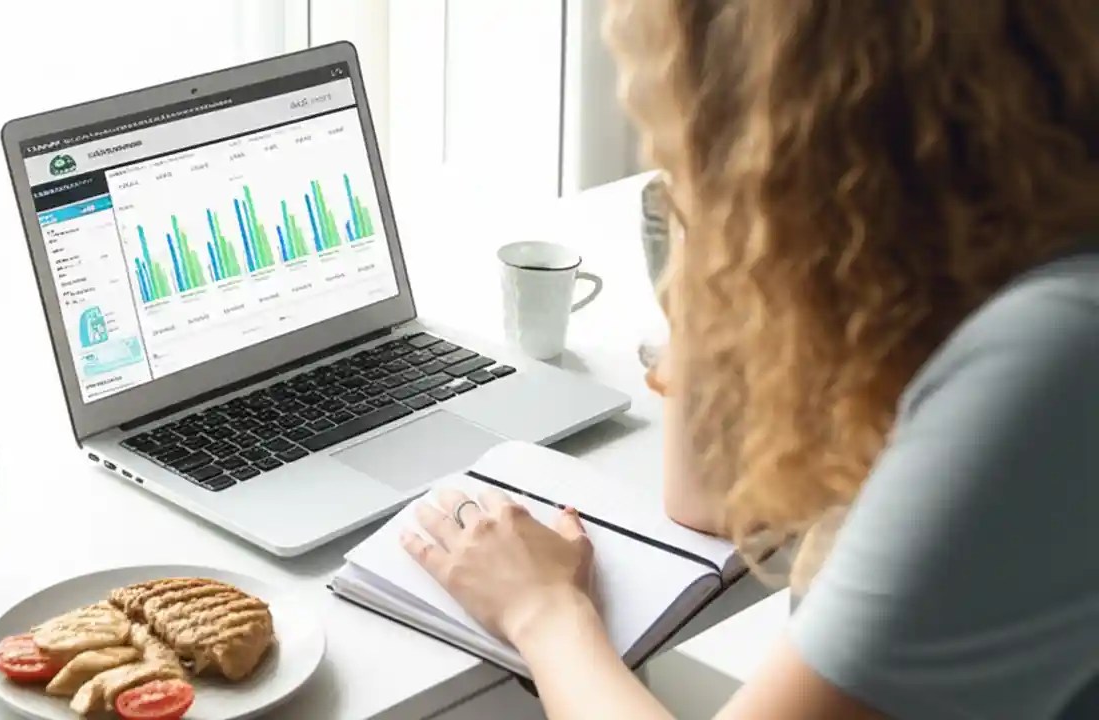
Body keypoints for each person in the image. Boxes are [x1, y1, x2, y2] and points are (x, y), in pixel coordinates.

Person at [400, 1, 1099, 717]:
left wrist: (542, 612)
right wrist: (726, 201)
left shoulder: (1048, 362)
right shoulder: (971, 273)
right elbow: (710, 494)